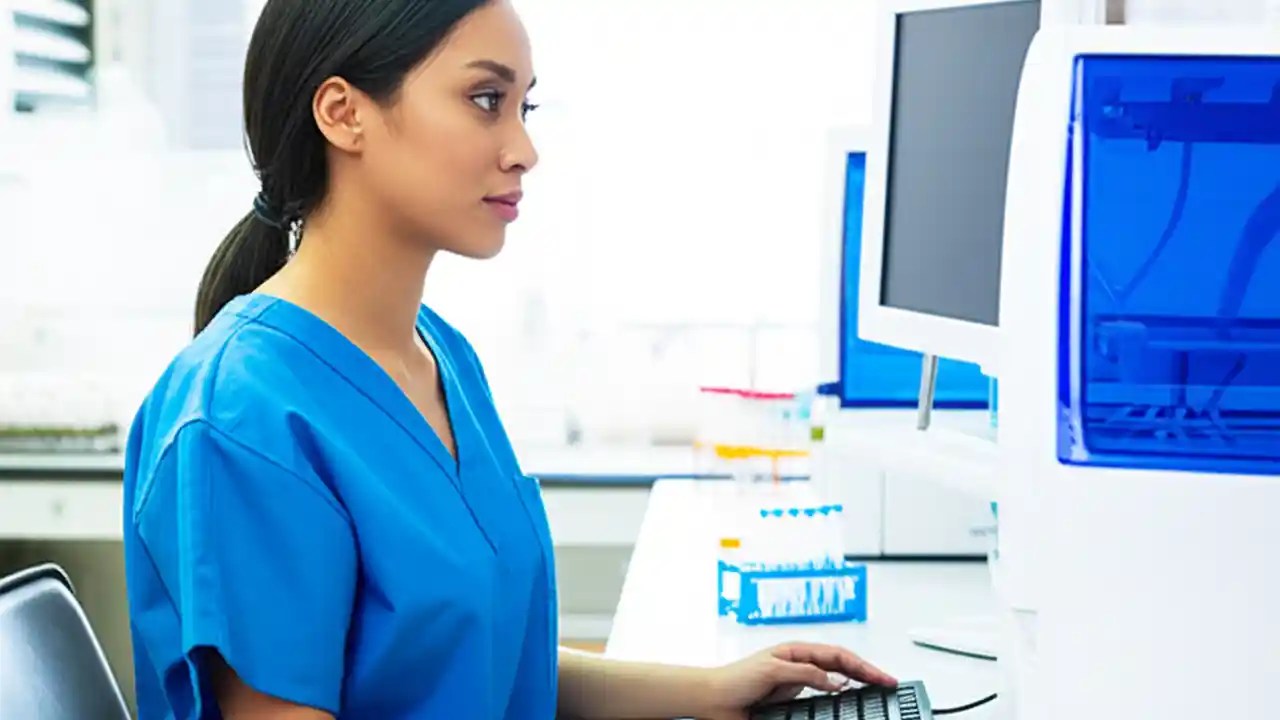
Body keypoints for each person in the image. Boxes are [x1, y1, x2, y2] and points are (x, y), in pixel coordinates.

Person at [120, 1, 897, 718]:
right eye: (485, 100)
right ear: (344, 113)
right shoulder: (241, 418)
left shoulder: (441, 358)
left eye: (524, 107)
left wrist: (712, 691)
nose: (524, 151)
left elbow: (476, 662)